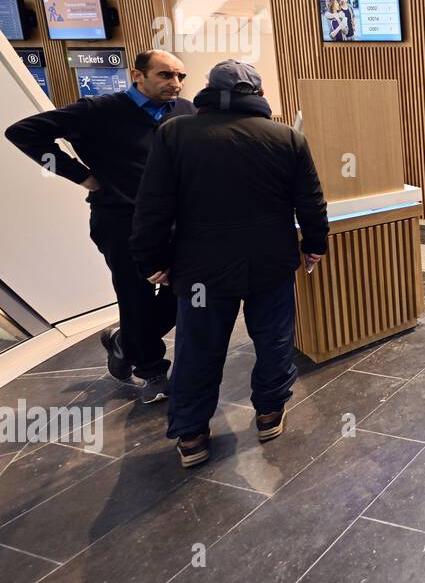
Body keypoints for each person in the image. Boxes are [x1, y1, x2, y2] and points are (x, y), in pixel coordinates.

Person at [130, 61, 328, 468]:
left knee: (197, 349)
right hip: (270, 261)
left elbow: (152, 206)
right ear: (256, 92)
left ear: (208, 89)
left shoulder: (175, 134)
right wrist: (314, 245)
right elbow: (310, 200)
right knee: (273, 339)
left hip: (200, 268)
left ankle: (191, 434)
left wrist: (151, 259)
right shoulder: (285, 137)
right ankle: (270, 412)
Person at [5, 50, 194, 402]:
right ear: (138, 75)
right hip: (121, 221)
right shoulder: (97, 111)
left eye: (180, 76)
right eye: (166, 75)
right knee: (136, 296)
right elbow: (22, 132)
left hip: (173, 222)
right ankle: (152, 371)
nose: (176, 84)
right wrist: (80, 175)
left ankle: (124, 342)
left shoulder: (184, 111)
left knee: (181, 292)